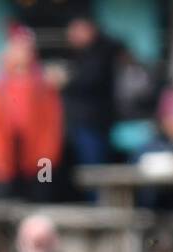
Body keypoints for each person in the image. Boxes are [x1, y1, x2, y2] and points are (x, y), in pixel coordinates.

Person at [0, 25, 63, 201]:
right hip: (4, 153)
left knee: (41, 196)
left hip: (39, 155)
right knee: (2, 198)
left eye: (25, 48)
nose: (22, 53)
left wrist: (48, 155)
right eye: (17, 48)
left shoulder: (44, 83)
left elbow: (52, 123)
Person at [60, 16, 118, 168]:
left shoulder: (101, 53)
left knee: (94, 169)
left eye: (76, 30)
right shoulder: (79, 55)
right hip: (81, 124)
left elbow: (90, 80)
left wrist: (65, 81)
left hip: (92, 123)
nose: (71, 35)